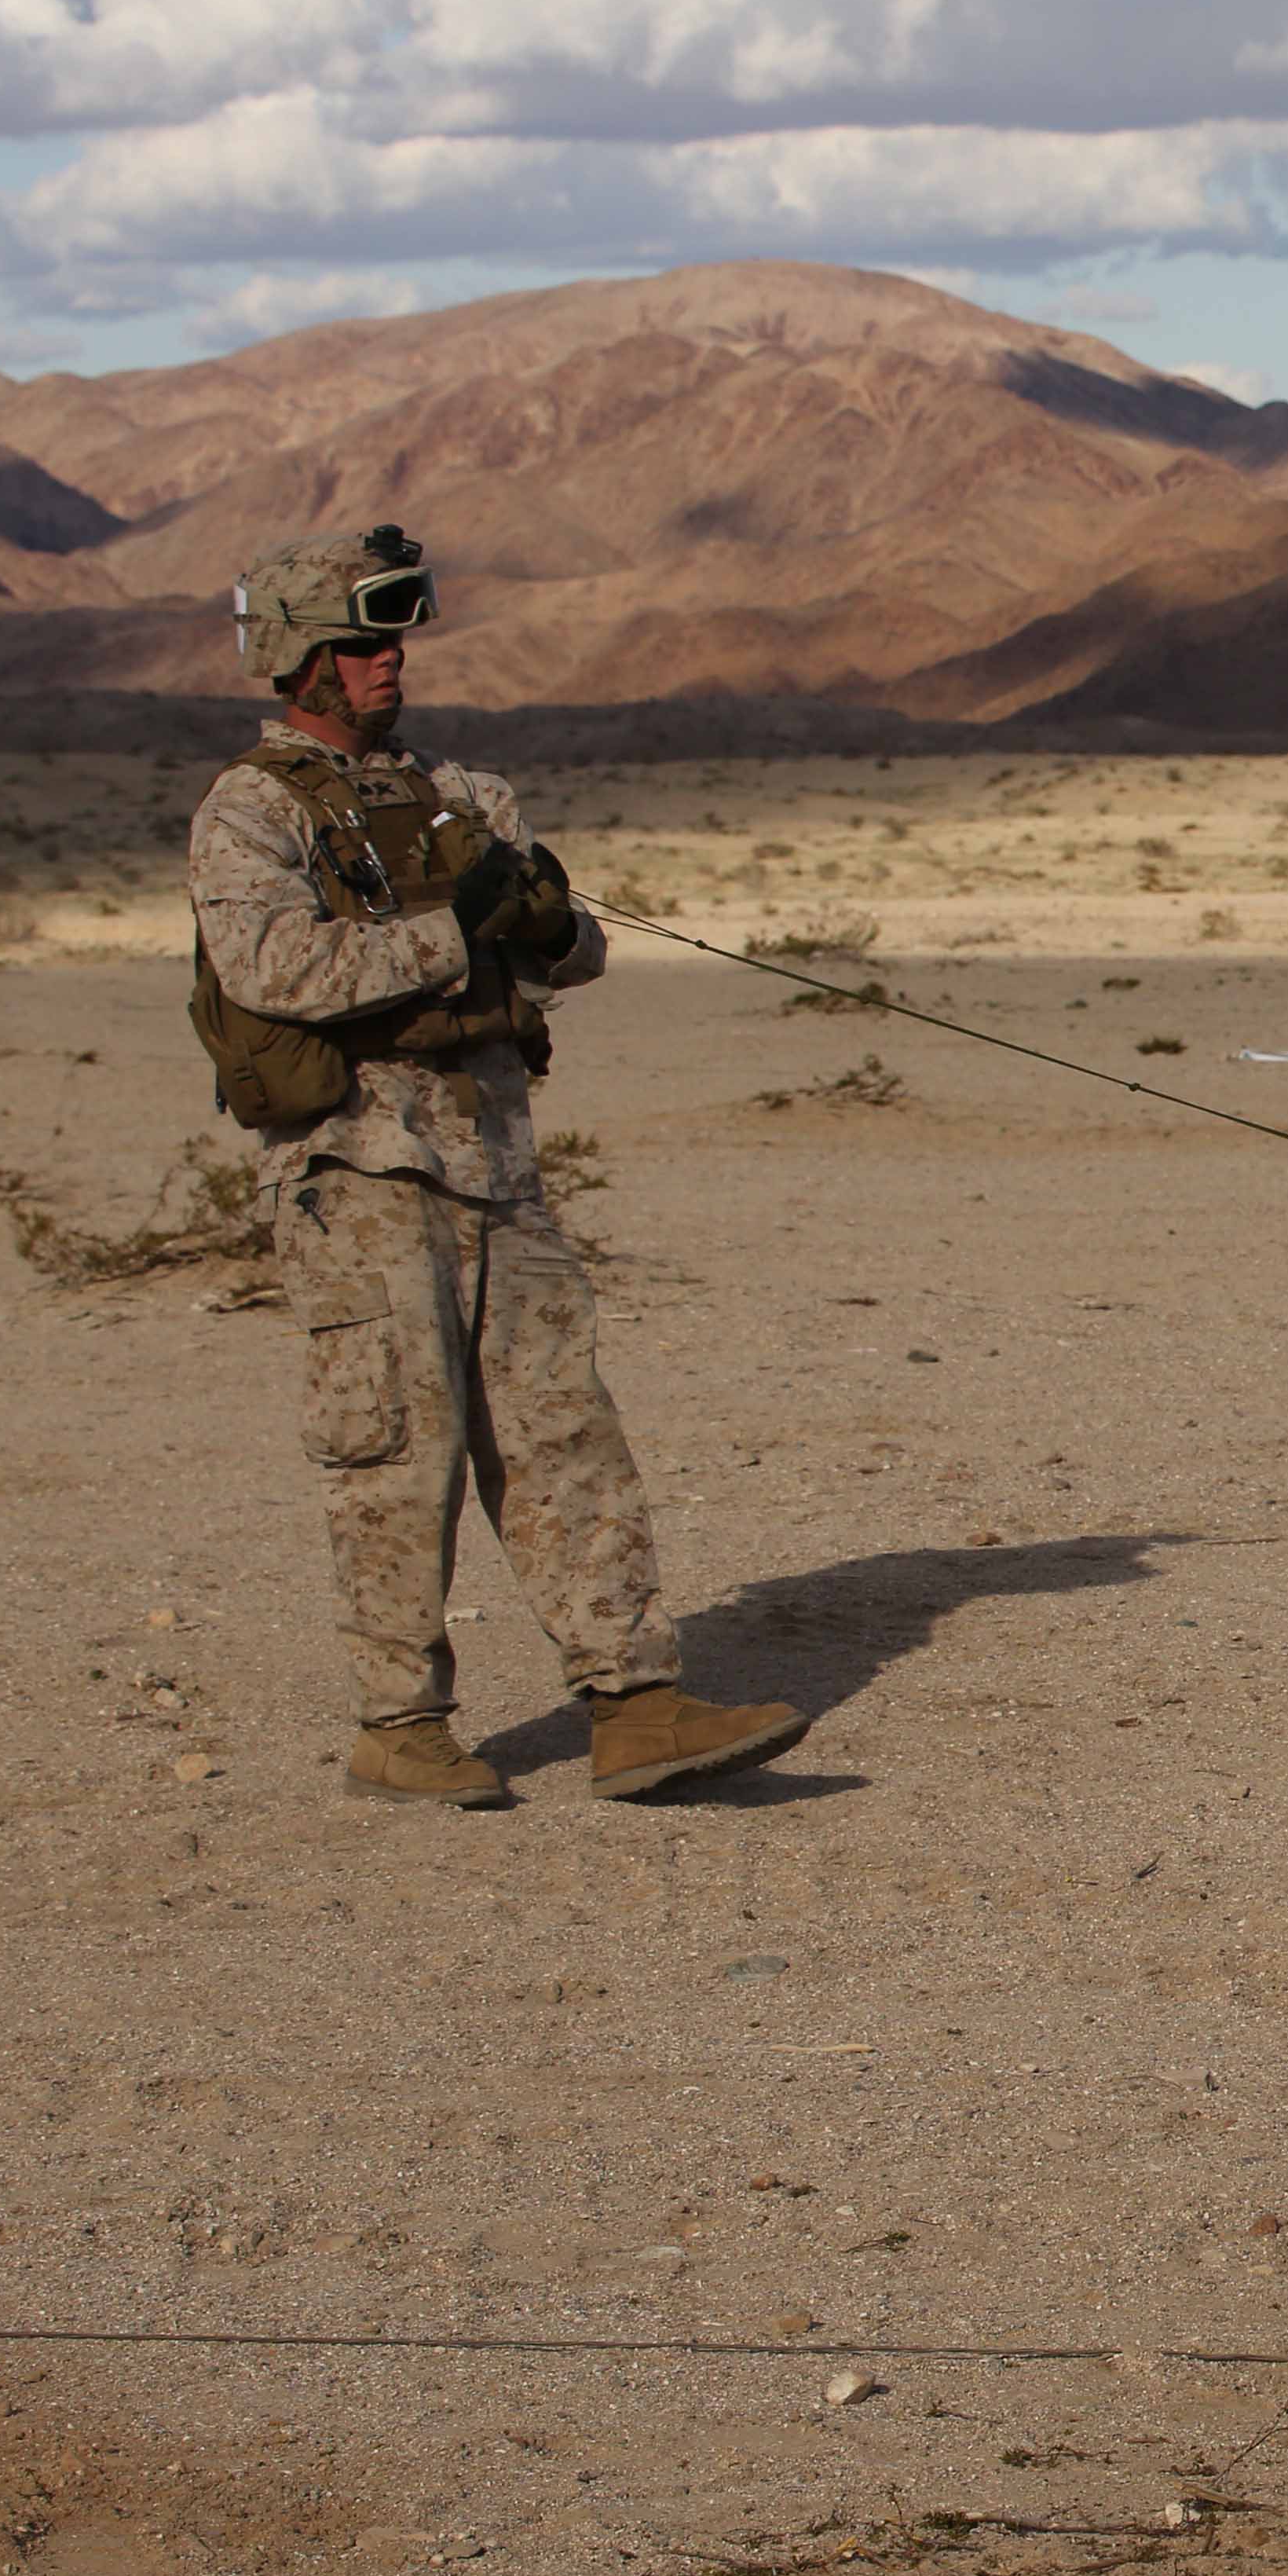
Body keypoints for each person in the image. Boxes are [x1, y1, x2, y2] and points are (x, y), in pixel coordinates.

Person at [188, 526, 807, 1806]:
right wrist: (449, 931)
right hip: (358, 1171)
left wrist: (538, 918)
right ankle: (398, 1727)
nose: (385, 665)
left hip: (494, 1161)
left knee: (564, 1434)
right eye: (358, 646)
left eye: (392, 640)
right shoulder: (249, 812)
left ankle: (635, 1703)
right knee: (396, 1456)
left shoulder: (464, 796)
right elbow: (279, 974)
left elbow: (568, 954)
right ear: (298, 662)